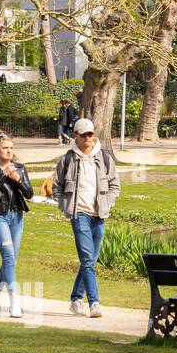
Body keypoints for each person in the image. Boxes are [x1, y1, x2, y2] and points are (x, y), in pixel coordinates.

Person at [51, 118, 120, 318]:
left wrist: (110, 202)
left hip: (99, 214)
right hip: (79, 213)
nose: (88, 138)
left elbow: (115, 184)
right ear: (76, 136)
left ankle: (75, 298)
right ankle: (94, 303)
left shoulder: (104, 158)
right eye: (83, 135)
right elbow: (57, 187)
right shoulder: (68, 159)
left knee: (90, 259)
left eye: (90, 134)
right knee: (88, 260)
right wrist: (65, 205)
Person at [0, 134, 32, 317]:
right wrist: (4, 176)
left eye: (11, 147)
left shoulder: (20, 168)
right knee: (9, 256)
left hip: (16, 217)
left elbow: (29, 193)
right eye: (5, 148)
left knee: (11, 259)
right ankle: (14, 300)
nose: (9, 150)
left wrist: (17, 178)